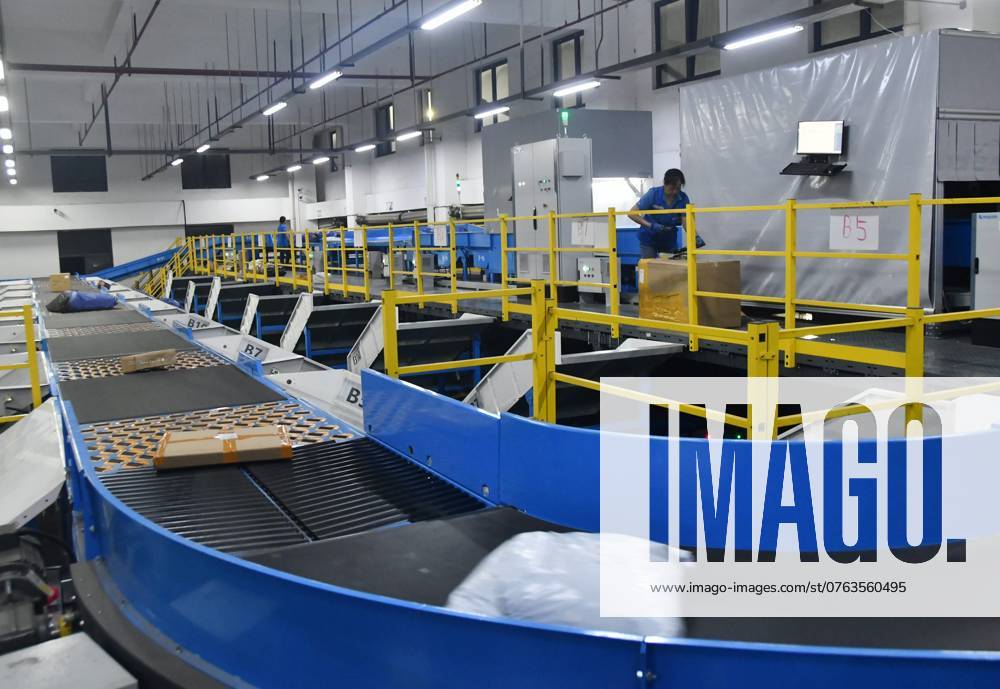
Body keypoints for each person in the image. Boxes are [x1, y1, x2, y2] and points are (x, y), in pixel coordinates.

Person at [628, 169, 703, 259]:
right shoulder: (653, 194)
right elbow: (632, 213)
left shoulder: (683, 198)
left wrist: (695, 236)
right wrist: (651, 225)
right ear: (665, 183)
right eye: (672, 188)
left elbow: (686, 222)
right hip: (649, 238)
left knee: (669, 268)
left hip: (669, 239)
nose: (675, 192)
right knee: (650, 267)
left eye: (678, 188)